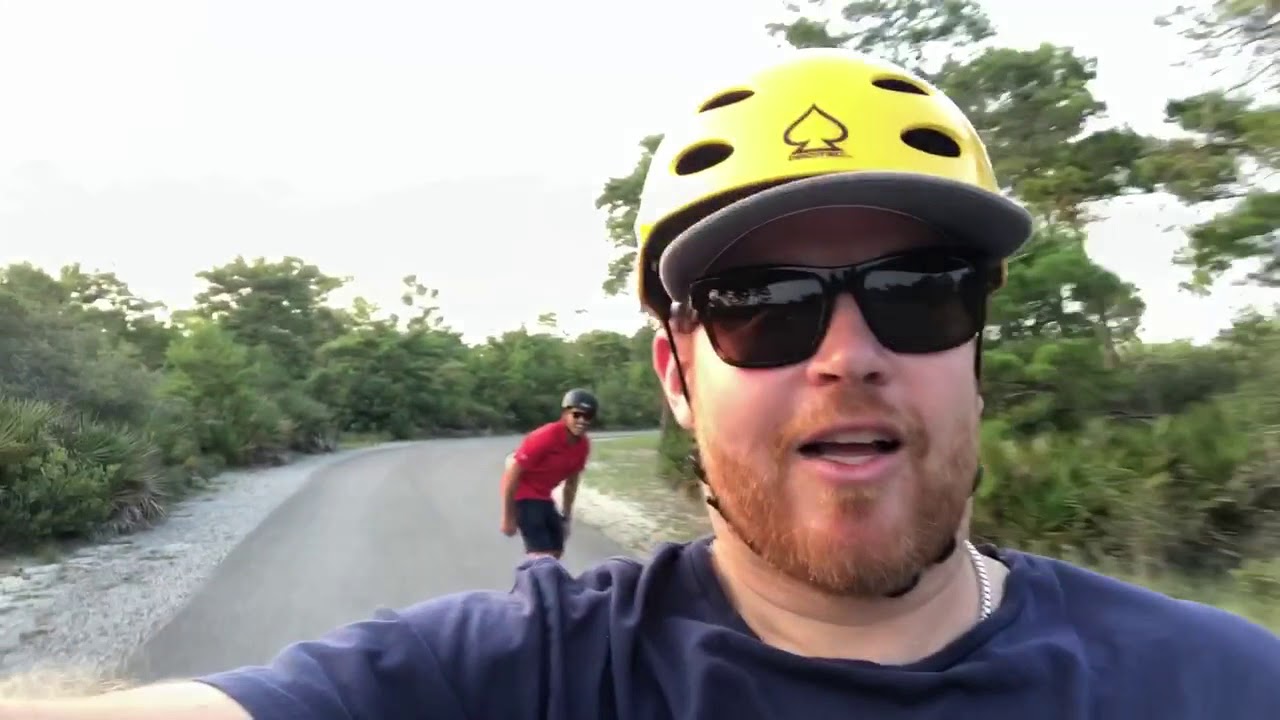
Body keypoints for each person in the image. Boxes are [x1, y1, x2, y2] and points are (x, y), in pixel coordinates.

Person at [4, 47, 1279, 720]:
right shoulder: (526, 674)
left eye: (916, 291)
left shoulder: (1219, 685)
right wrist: (523, 535)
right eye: (760, 308)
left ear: (973, 348)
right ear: (674, 374)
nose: (848, 350)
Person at [499, 388, 596, 560]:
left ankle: (542, 582)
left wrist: (566, 516)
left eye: (588, 416)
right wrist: (508, 517)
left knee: (557, 549)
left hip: (544, 497)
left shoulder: (583, 445)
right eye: (577, 415)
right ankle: (533, 584)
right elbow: (512, 473)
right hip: (523, 494)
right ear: (565, 413)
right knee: (542, 557)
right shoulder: (545, 436)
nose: (582, 421)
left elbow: (572, 483)